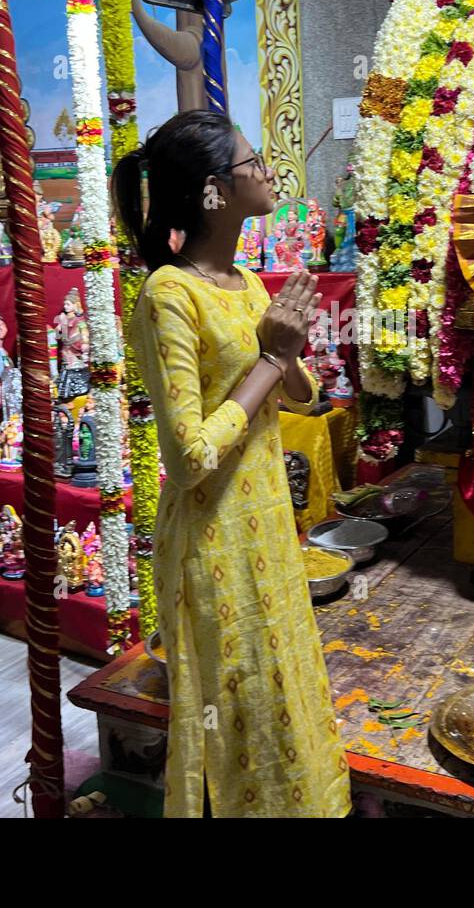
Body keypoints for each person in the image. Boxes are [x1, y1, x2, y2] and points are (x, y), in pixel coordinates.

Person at [114, 110, 350, 819]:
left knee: (282, 689)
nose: (267, 169)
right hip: (213, 535)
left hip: (268, 527)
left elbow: (299, 399)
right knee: (234, 704)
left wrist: (292, 348)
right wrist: (272, 356)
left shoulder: (246, 282)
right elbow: (189, 457)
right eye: (252, 162)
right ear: (216, 190)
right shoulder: (167, 294)